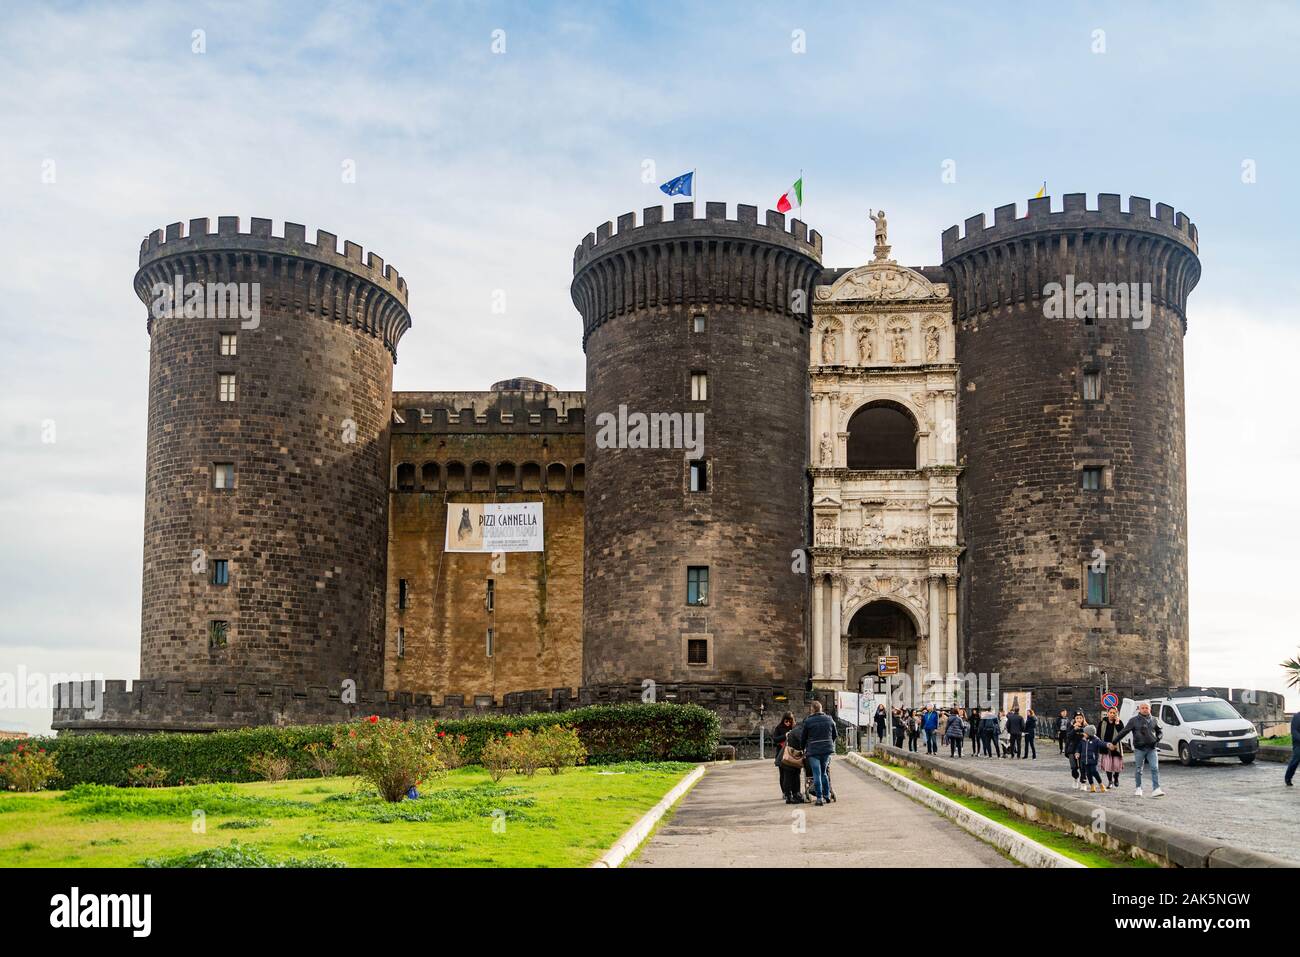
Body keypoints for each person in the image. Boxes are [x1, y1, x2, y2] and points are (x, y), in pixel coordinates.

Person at [1113, 701, 1165, 797]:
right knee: (1138, 769)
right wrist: (1114, 741)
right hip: (1139, 748)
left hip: (1152, 748)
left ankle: (1156, 789)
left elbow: (1159, 731)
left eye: (1147, 708)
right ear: (1139, 709)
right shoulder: (1133, 720)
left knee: (1154, 768)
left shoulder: (1154, 720)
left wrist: (1158, 738)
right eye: (1143, 708)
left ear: (1150, 709)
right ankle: (1138, 788)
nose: (1145, 709)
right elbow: (1124, 731)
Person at [801, 700, 837, 806]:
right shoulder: (829, 719)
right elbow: (835, 735)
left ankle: (819, 798)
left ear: (812, 709)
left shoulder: (808, 721)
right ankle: (826, 796)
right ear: (821, 709)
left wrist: (802, 748)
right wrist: (830, 743)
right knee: (824, 773)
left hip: (813, 751)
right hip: (826, 750)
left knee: (816, 773)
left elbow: (803, 738)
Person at [773, 711, 805, 804]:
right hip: (781, 753)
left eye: (789, 721)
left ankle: (794, 792)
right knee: (783, 775)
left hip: (793, 754)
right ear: (783, 720)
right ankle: (785, 793)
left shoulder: (794, 728)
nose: (787, 723)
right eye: (786, 721)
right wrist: (785, 735)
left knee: (794, 774)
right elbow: (775, 739)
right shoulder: (779, 728)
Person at [1098, 706, 1125, 788]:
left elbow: (1122, 734)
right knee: (1108, 765)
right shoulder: (1102, 722)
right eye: (1111, 712)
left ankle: (1116, 777)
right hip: (1105, 746)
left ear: (1116, 714)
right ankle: (1110, 781)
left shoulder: (1119, 722)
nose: (1112, 714)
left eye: (1114, 713)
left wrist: (1117, 724)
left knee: (1117, 765)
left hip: (1116, 746)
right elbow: (1098, 734)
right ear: (1108, 713)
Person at [1078, 724, 1107, 793]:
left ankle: (1101, 784)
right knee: (1088, 773)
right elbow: (1079, 747)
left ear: (1089, 734)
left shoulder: (1096, 740)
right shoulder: (1083, 740)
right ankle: (1092, 785)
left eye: (1085, 733)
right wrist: (1077, 753)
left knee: (1094, 771)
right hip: (1085, 760)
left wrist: (1108, 744)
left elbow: (1102, 744)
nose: (1083, 734)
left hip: (1093, 760)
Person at [1065, 712, 1087, 789]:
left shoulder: (1086, 727)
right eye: (1077, 718)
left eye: (1080, 718)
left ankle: (1083, 782)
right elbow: (1068, 737)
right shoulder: (1071, 727)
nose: (1079, 720)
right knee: (1073, 767)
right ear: (1075, 719)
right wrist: (1074, 729)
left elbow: (1089, 736)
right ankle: (1075, 778)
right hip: (1072, 749)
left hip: (1083, 749)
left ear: (1083, 718)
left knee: (1082, 767)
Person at [1285, 709, 1300, 787]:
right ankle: (1288, 778)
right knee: (1296, 760)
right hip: (1298, 743)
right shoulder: (1297, 717)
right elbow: (1294, 731)